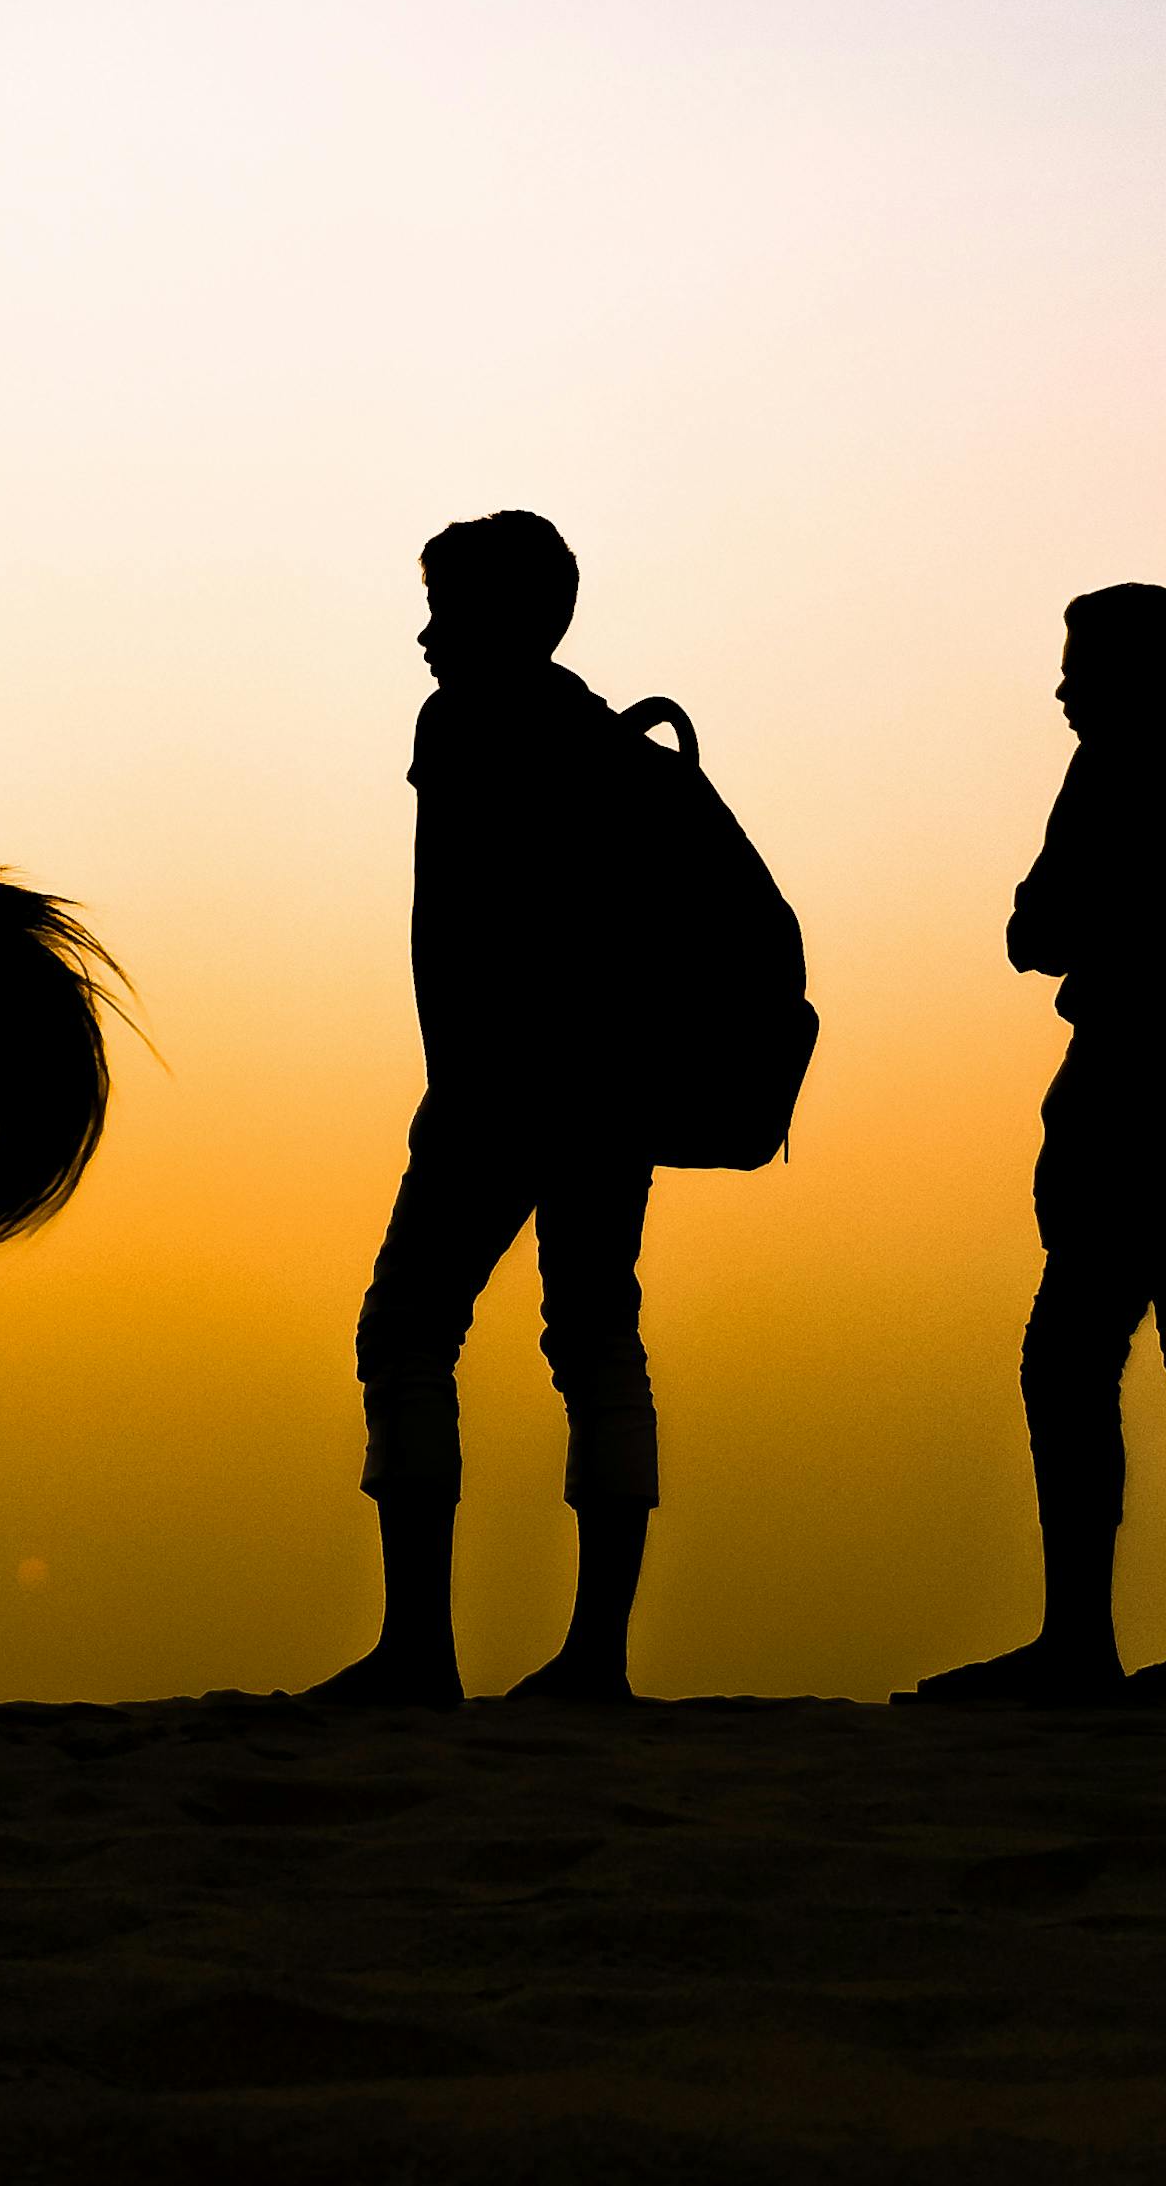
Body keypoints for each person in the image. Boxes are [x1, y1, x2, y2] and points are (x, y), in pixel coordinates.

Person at [311, 510, 672, 1707]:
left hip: (500, 1082)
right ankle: (597, 1659)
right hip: (615, 1086)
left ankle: (419, 1650)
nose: (425, 635)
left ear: (505, 616)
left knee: (406, 1329)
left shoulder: (461, 721)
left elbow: (447, 927)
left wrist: (454, 1086)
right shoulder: (598, 735)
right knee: (595, 1338)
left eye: (446, 609)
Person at [914, 584, 1166, 1705]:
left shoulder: (1138, 774)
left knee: (1100, 1356)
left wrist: (1067, 922)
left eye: (1081, 664)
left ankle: (1118, 1643)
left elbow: (1041, 927)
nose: (1064, 686)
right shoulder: (1150, 772)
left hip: (1155, 1094)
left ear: (1141, 674)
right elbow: (1043, 924)